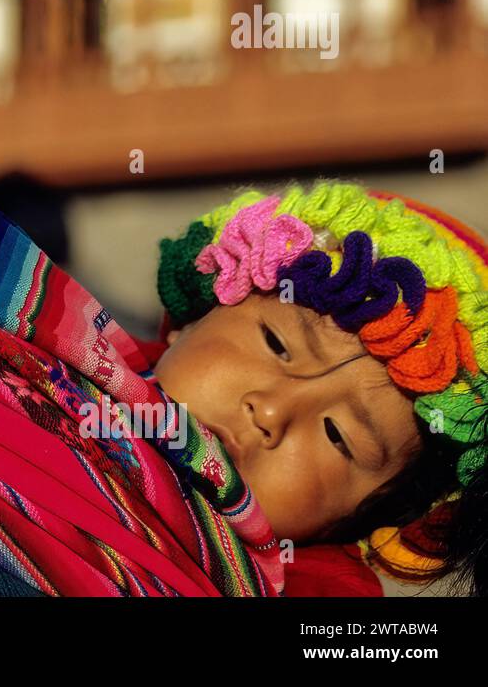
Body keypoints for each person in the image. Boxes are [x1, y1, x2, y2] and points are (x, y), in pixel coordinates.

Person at [153, 182, 487, 595]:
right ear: (192, 319)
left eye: (337, 435)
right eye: (276, 343)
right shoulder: (56, 353)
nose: (272, 412)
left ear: (366, 523)